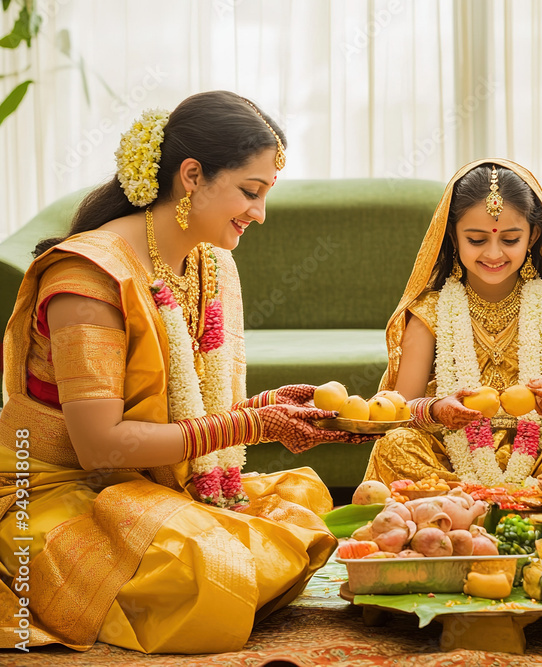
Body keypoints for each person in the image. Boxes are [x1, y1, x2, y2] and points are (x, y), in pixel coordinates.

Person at [0, 91, 365, 654]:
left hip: (150, 482)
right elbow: (99, 448)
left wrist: (266, 407)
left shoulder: (208, 263)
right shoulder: (88, 278)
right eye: (250, 192)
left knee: (306, 510)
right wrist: (255, 426)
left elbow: (191, 410)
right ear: (191, 175)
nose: (259, 214)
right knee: (206, 568)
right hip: (57, 488)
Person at [363, 159, 542, 516]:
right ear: (452, 236)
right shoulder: (429, 313)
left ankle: (471, 511)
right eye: (477, 239)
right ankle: (486, 508)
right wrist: (437, 409)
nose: (494, 253)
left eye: (510, 239)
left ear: (534, 236)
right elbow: (399, 414)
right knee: (396, 445)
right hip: (452, 465)